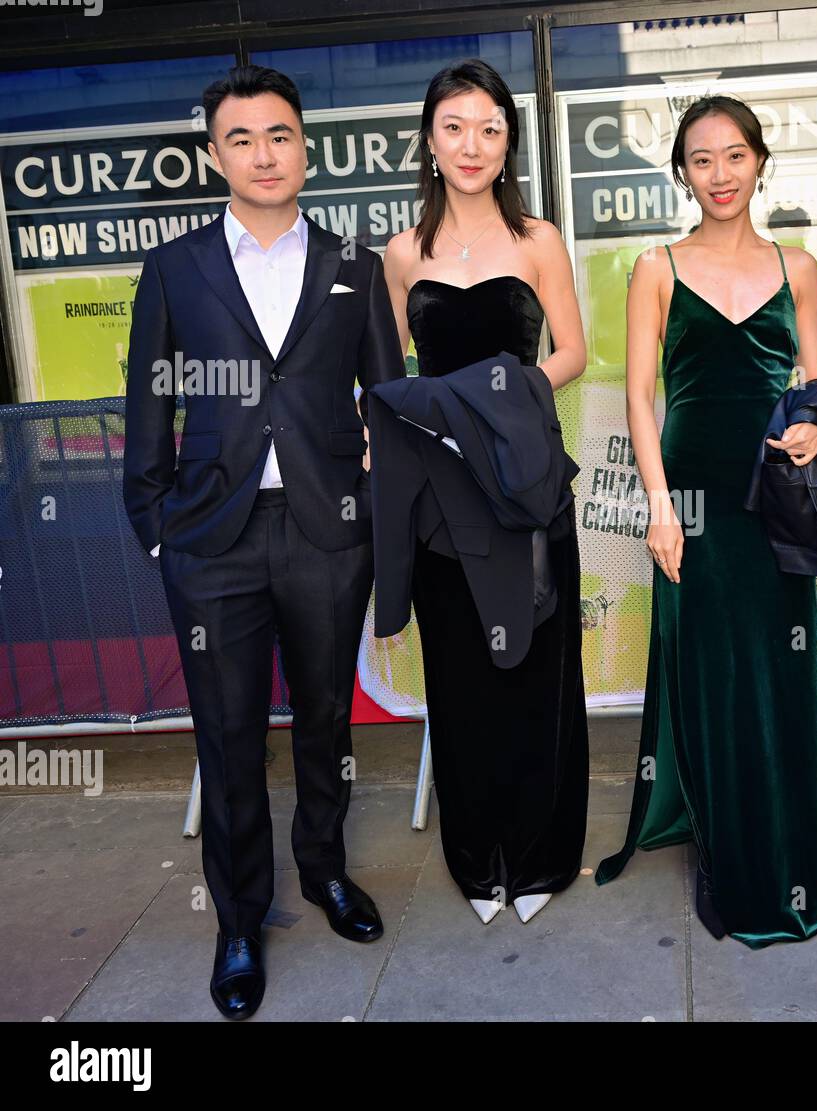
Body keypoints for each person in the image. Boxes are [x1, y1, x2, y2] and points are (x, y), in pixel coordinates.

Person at [122, 65, 406, 1019]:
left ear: (305, 147)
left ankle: (323, 870)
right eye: (241, 139)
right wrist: (160, 530)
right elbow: (148, 405)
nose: (263, 153)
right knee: (229, 735)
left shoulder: (354, 264)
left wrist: (371, 506)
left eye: (279, 135)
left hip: (328, 535)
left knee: (326, 724)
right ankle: (239, 919)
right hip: (212, 542)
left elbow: (389, 401)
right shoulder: (175, 268)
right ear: (215, 156)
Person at [595, 95, 817, 947]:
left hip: (776, 500)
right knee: (713, 674)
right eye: (701, 159)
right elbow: (641, 395)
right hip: (696, 500)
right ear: (682, 172)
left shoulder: (804, 268)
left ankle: (797, 847)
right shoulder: (657, 268)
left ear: (758, 163)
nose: (719, 174)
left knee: (785, 675)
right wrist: (660, 508)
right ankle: (731, 847)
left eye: (734, 155)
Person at [379, 59, 589, 927]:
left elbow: (573, 350)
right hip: (441, 506)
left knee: (540, 679)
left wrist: (500, 406)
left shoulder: (538, 240)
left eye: (491, 128)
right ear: (429, 139)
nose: (473, 144)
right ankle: (476, 862)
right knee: (461, 684)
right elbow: (394, 379)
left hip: (526, 486)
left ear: (510, 144)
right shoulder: (400, 253)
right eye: (455, 126)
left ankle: (540, 858)